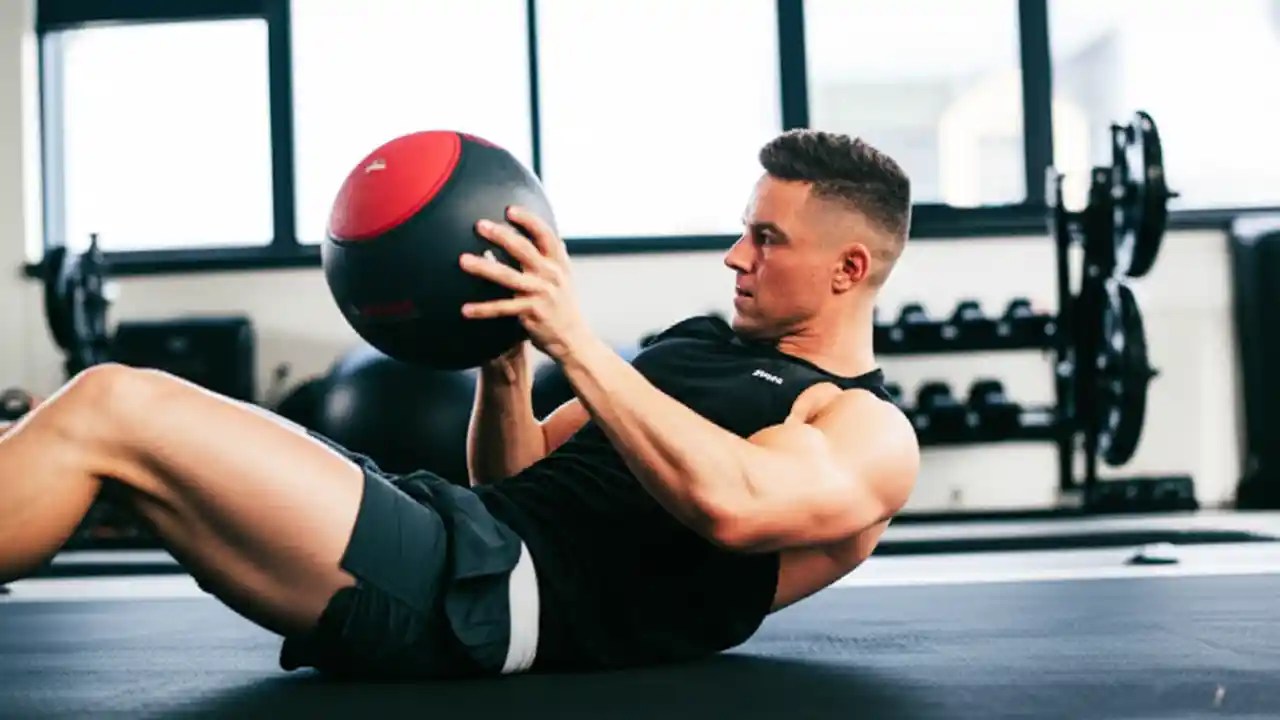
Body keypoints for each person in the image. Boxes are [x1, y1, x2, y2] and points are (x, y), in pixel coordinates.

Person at [0, 128, 919, 679]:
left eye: (765, 239)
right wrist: (510, 362)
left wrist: (579, 342)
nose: (734, 256)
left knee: (114, 405)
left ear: (849, 268)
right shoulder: (694, 346)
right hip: (458, 537)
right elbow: (519, 478)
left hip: (493, 600)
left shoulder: (862, 427)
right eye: (741, 230)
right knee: (89, 445)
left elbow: (736, 505)